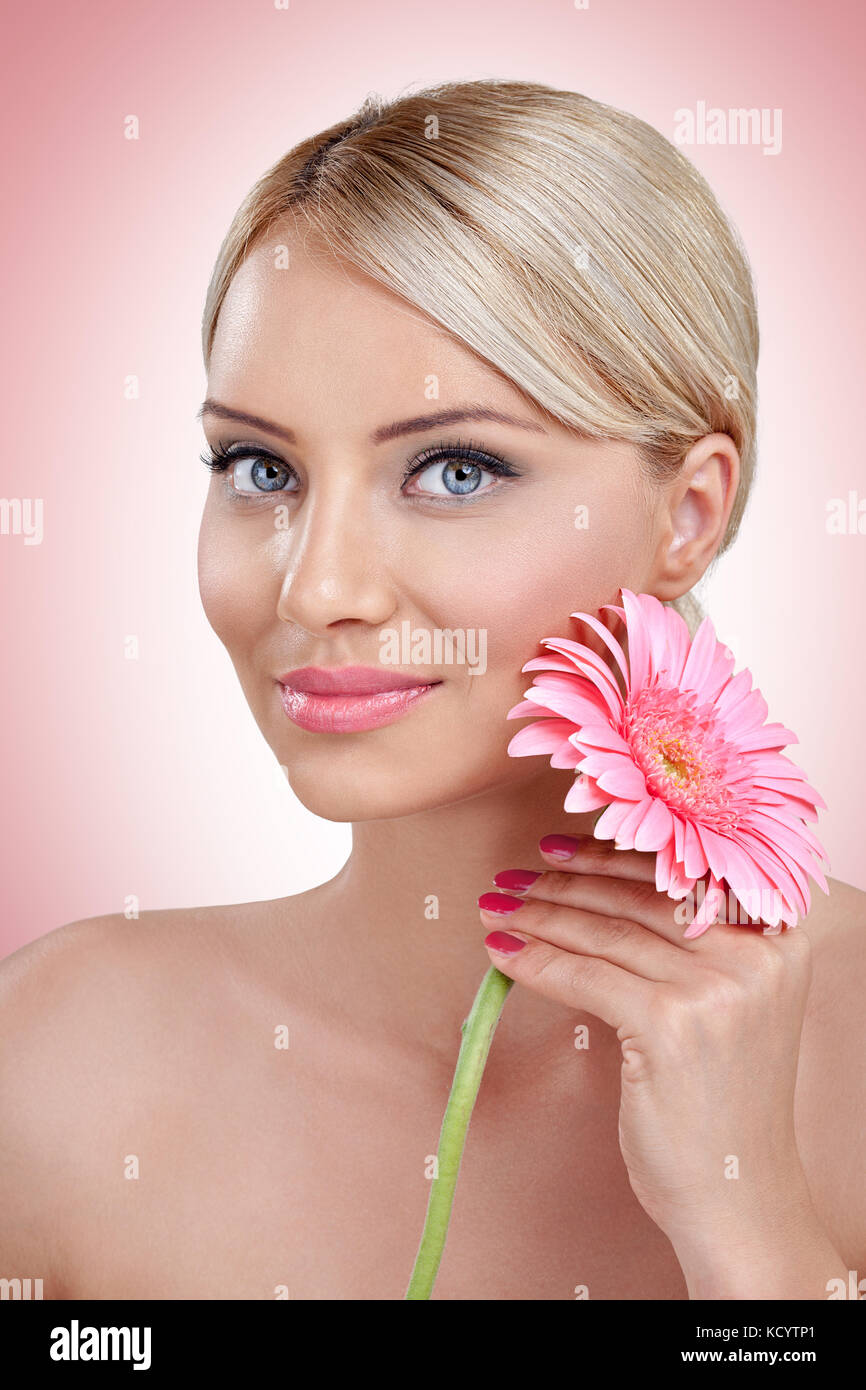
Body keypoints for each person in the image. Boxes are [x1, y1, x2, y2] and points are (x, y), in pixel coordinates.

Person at [2, 78, 864, 1301]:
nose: (317, 587)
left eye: (454, 470)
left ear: (687, 514)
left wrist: (754, 1232)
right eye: (260, 467)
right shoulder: (56, 1059)